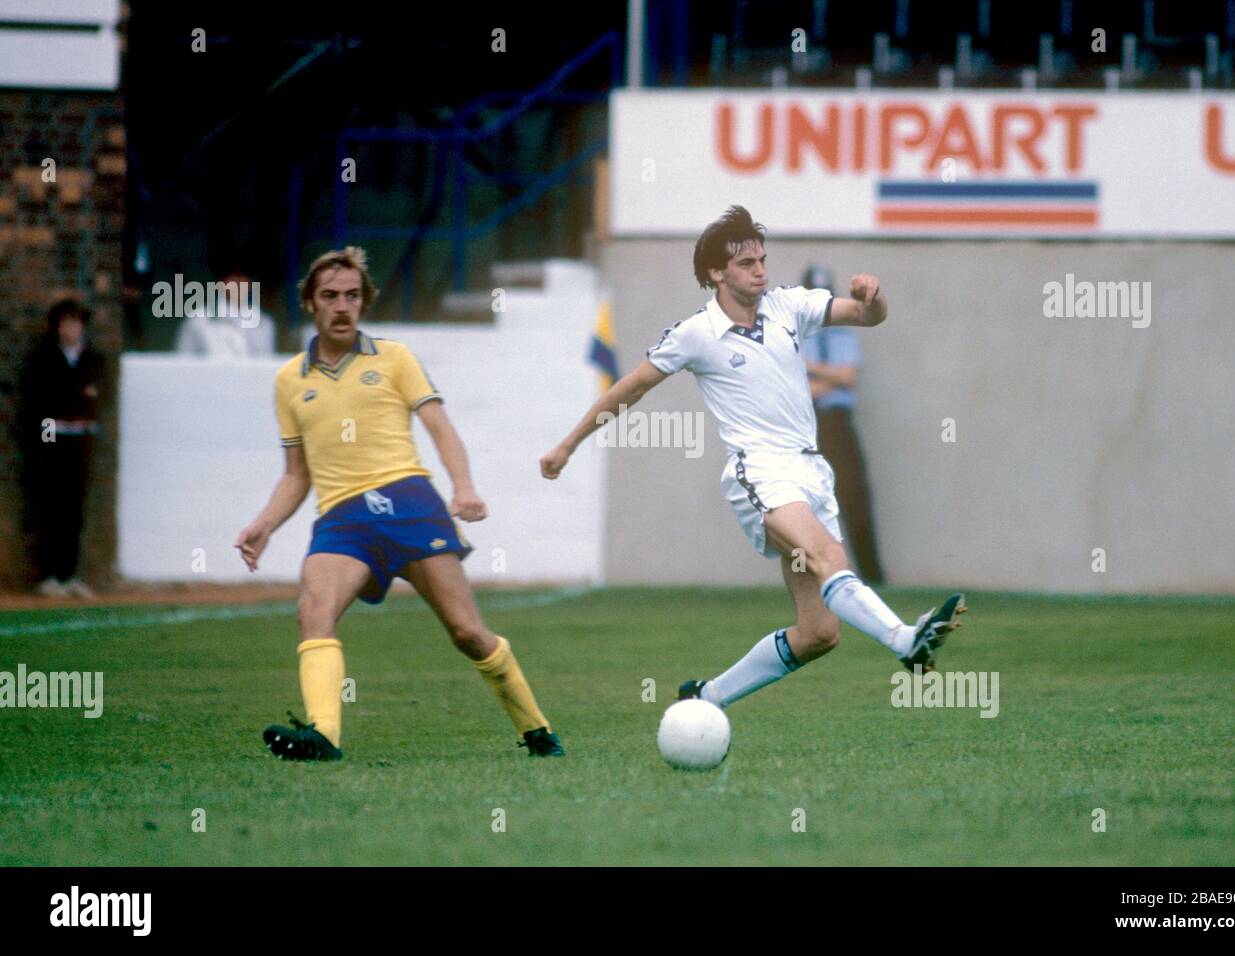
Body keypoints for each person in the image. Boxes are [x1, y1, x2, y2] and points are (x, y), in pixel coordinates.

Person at [541, 207, 965, 712]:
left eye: (763, 259)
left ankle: (707, 697)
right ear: (717, 273)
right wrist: (568, 444)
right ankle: (904, 640)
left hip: (810, 470)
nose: (761, 270)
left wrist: (874, 297)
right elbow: (629, 389)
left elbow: (867, 316)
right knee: (832, 559)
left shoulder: (789, 305)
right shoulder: (695, 333)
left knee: (819, 633)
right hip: (759, 472)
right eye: (747, 264)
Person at [234, 246, 562, 761]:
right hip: (342, 519)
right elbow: (297, 475)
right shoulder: (288, 382)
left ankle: (537, 730)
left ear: (363, 301)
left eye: (352, 295)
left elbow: (440, 428)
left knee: (467, 632)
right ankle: (324, 736)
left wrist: (464, 487)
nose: (342, 306)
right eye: (329, 296)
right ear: (310, 305)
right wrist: (264, 524)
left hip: (410, 504)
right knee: (312, 612)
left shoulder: (395, 358)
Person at [802, 264, 886, 583]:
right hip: (808, 425)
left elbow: (848, 378)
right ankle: (818, 575)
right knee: (807, 501)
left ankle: (872, 574)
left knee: (854, 494)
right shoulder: (796, 332)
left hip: (838, 422)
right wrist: (829, 377)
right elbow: (798, 385)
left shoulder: (842, 332)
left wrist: (812, 369)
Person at [21, 299, 104, 598]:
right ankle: (50, 574)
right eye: (66, 322)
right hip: (53, 440)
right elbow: (37, 406)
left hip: (79, 442)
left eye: (77, 322)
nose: (72, 328)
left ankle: (69, 573)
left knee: (74, 508)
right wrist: (47, 444)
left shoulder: (91, 360)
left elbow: (98, 401)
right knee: (51, 506)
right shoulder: (44, 359)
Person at [175, 266, 277, 357]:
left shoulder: (263, 322)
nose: (238, 283)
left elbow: (265, 363)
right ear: (221, 281)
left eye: (243, 278)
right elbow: (183, 360)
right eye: (233, 278)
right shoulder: (198, 319)